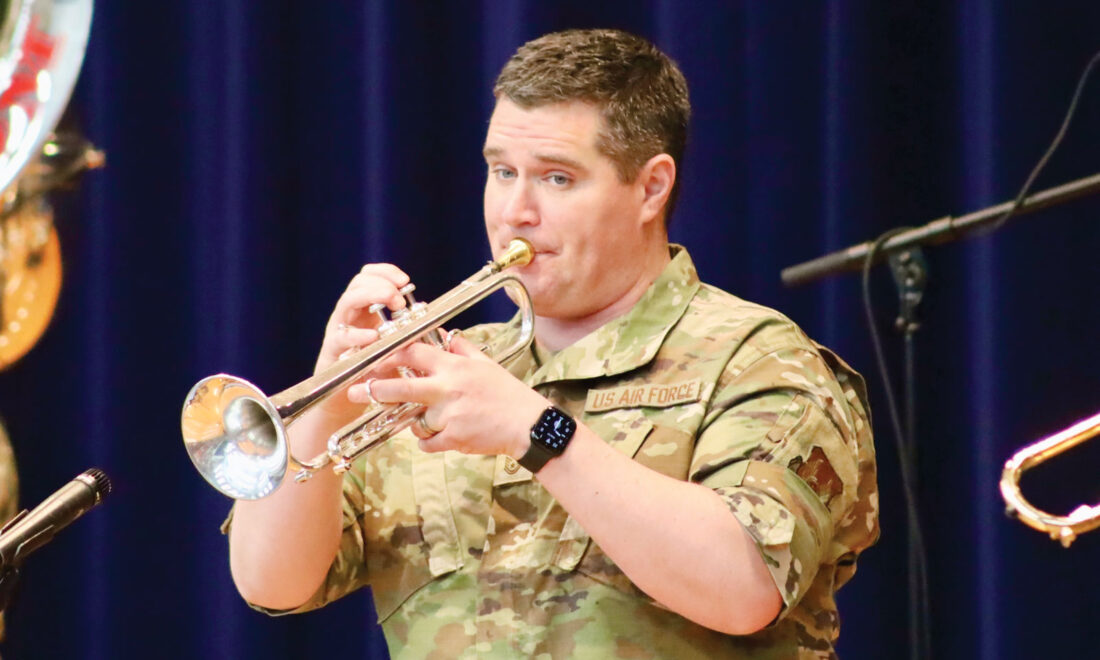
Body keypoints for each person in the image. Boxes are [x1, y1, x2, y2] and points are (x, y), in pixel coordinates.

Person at [226, 28, 879, 659]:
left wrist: (534, 429)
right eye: (502, 171)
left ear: (651, 187)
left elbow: (745, 587)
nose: (515, 211)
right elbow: (272, 583)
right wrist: (326, 406)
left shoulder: (758, 361)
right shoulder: (448, 370)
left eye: (557, 178)